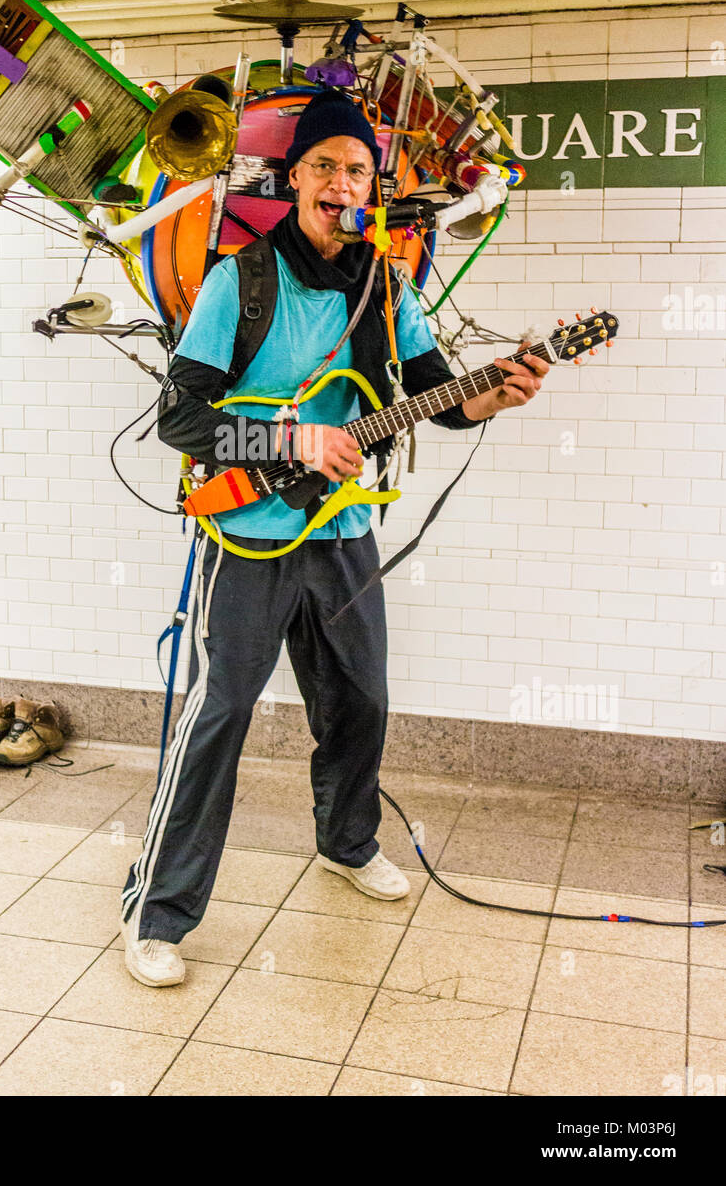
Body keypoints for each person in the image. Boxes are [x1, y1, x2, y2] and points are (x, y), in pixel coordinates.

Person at [121, 91, 550, 987]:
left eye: (357, 170)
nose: (342, 183)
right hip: (246, 531)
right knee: (218, 713)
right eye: (325, 166)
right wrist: (288, 439)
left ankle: (347, 844)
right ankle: (155, 912)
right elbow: (177, 417)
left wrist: (496, 391)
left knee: (362, 700)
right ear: (293, 178)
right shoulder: (240, 279)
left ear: (371, 188)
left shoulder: (387, 284)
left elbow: (441, 394)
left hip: (343, 526)